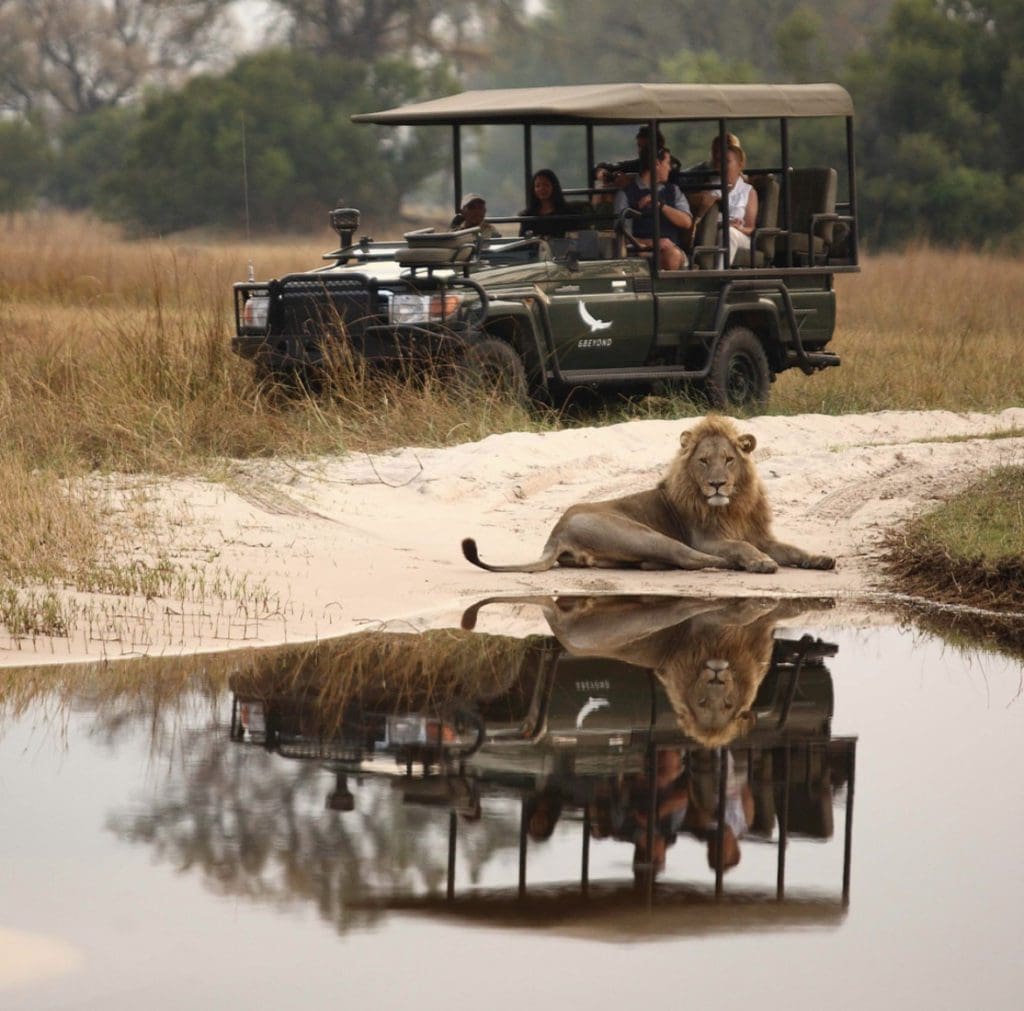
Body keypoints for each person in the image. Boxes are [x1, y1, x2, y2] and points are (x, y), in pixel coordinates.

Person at [613, 147, 693, 270]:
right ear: (656, 164)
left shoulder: (673, 191)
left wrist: (661, 206)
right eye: (667, 163)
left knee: (672, 256)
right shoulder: (625, 194)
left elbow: (687, 222)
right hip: (640, 251)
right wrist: (653, 243)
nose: (670, 168)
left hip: (672, 250)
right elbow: (623, 237)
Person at [519, 168, 573, 238]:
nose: (542, 189)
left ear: (554, 187)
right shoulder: (527, 216)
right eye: (537, 186)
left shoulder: (567, 213)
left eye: (546, 185)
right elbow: (523, 240)